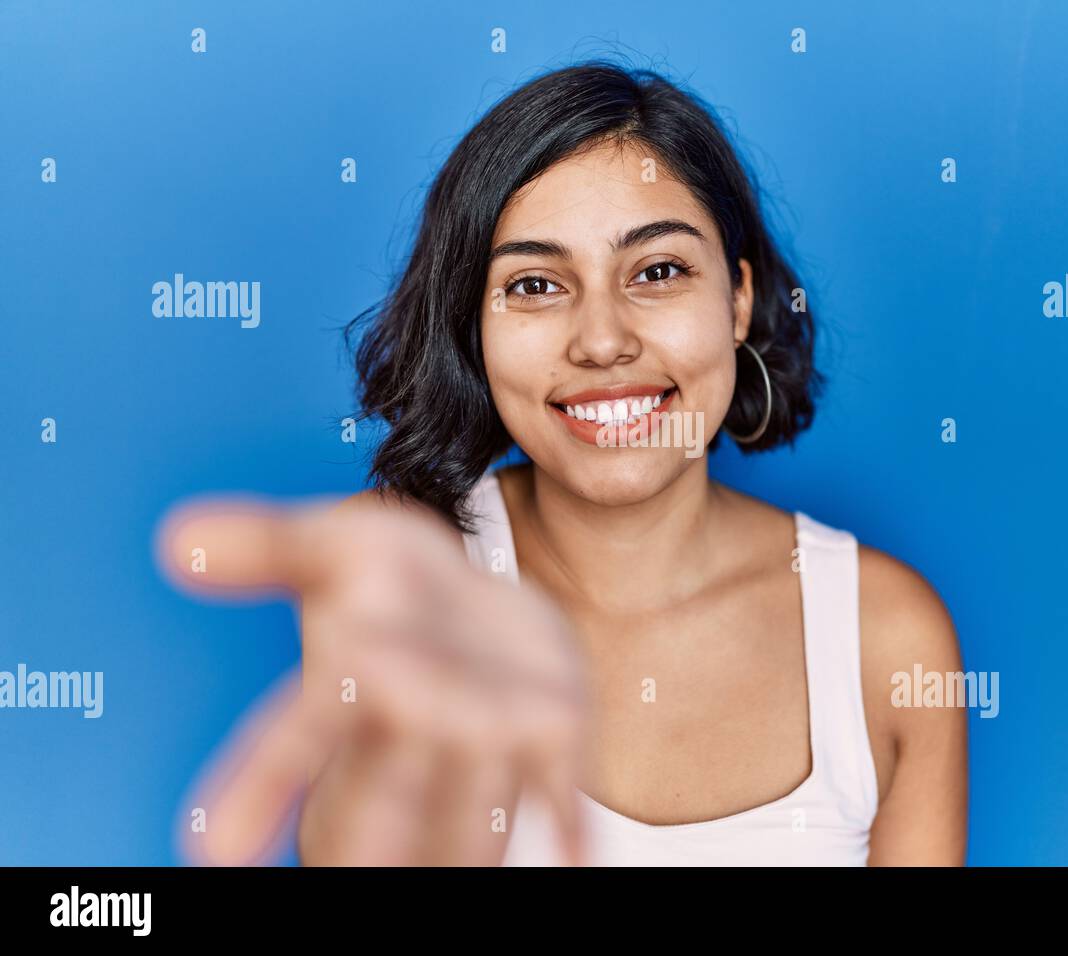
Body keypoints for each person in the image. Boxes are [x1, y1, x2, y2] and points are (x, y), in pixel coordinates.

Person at [156, 60, 967, 866]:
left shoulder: (888, 636)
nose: (602, 340)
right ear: (472, 328)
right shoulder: (412, 585)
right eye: (536, 285)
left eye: (657, 271)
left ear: (739, 301)